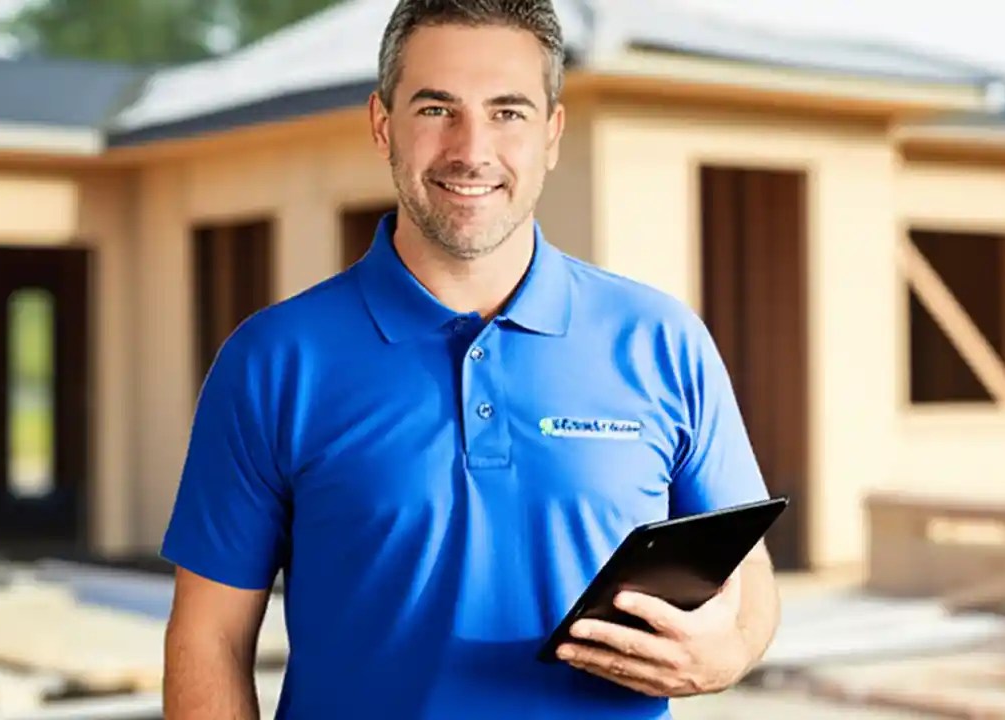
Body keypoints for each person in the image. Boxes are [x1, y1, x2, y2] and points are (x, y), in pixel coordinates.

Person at [160, 0, 781, 717]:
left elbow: (751, 585)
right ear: (382, 124)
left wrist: (726, 652)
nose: (471, 148)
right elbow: (208, 640)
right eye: (436, 109)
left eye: (508, 112)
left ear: (551, 133)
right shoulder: (273, 361)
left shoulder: (661, 341)